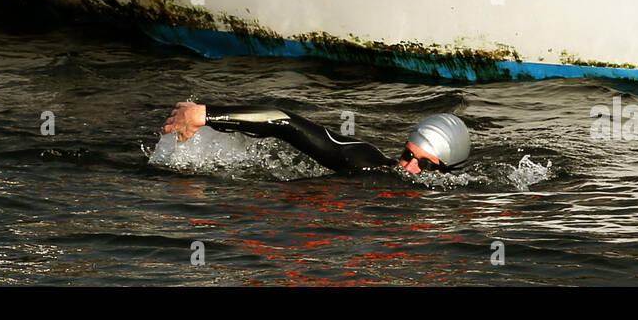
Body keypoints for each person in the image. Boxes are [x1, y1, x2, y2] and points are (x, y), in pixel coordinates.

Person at [161, 102, 471, 175]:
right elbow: (285, 122)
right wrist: (207, 114)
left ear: (448, 171)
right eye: (407, 155)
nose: (408, 169)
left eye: (425, 167)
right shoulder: (366, 163)